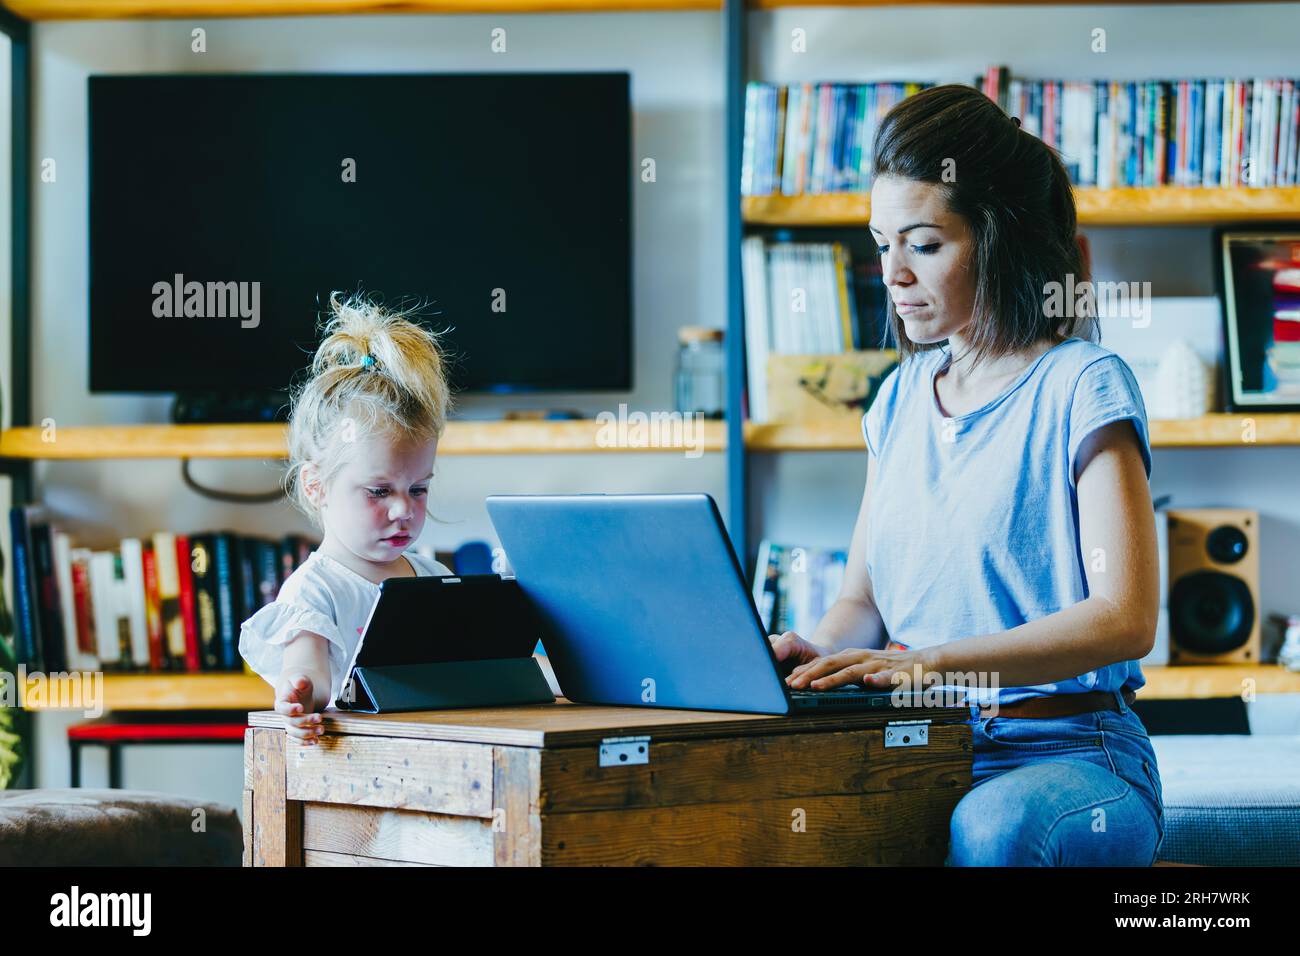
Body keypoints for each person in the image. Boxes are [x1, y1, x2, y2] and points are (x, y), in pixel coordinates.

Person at [769, 85, 1165, 866]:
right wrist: (818, 658)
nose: (892, 273)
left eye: (923, 244)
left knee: (993, 829)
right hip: (922, 746)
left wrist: (931, 663)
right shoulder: (898, 400)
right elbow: (862, 602)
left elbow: (1124, 618)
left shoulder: (1082, 385)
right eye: (882, 243)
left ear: (997, 240)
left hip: (1071, 755)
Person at [240, 291, 454, 745]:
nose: (404, 510)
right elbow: (309, 668)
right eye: (379, 491)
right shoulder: (315, 589)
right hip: (359, 768)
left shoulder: (433, 577)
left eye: (418, 489)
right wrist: (299, 694)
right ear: (316, 486)